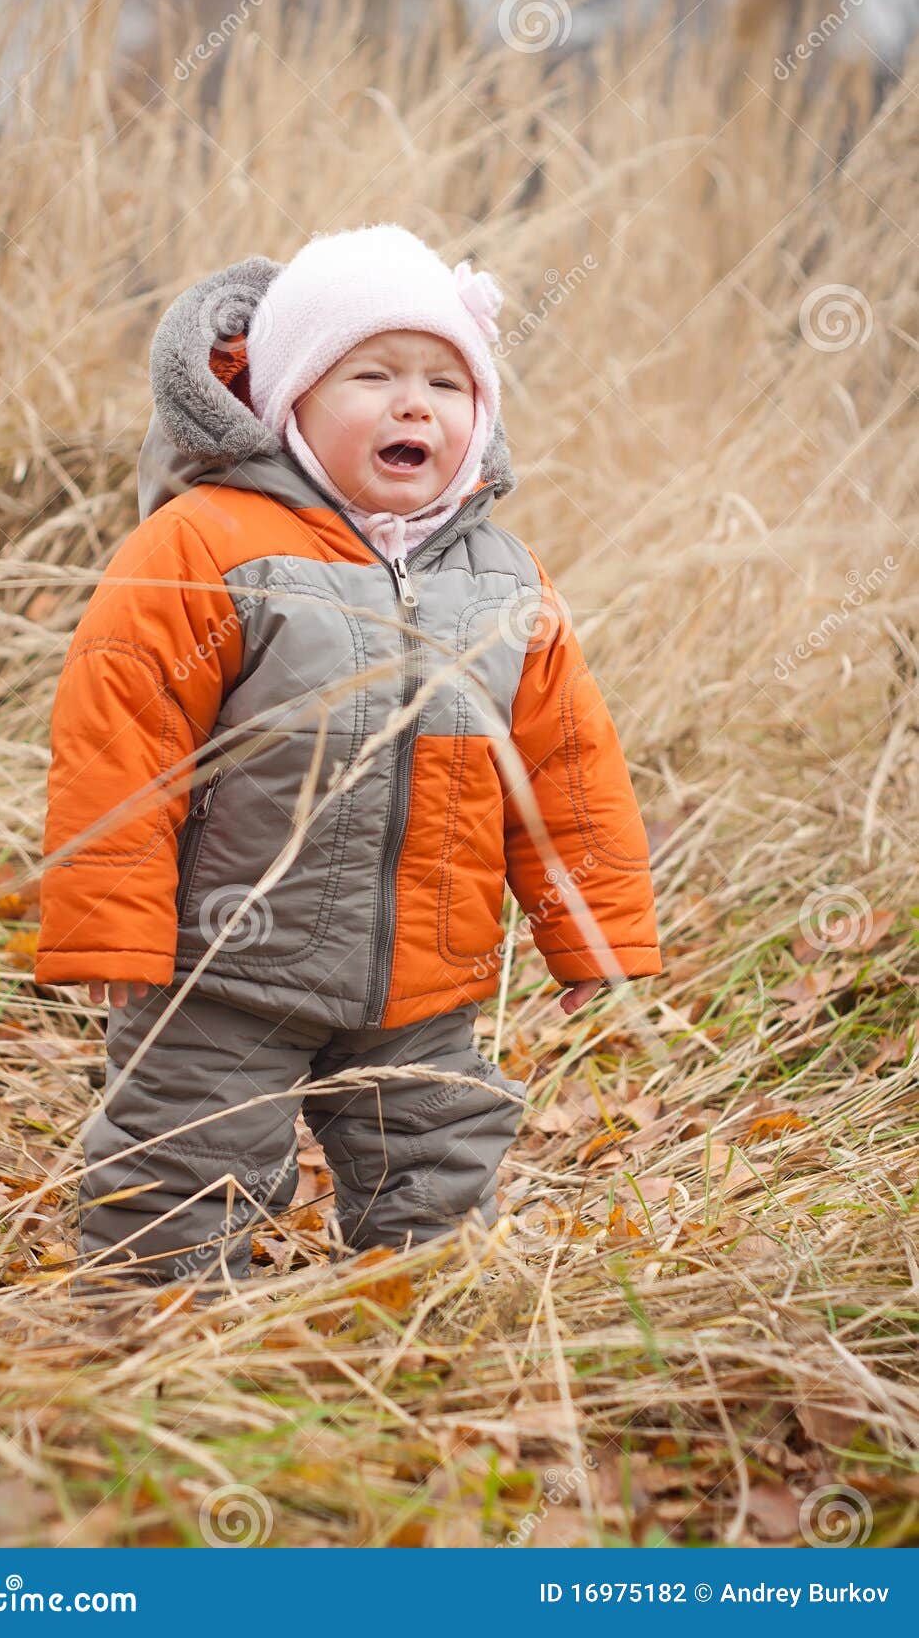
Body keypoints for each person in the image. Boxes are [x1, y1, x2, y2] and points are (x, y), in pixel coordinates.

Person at [34, 222, 663, 1296]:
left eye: (446, 384)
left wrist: (594, 929)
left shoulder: (505, 581)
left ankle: (420, 1333)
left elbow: (566, 765)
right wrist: (110, 922)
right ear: (290, 403)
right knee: (182, 1166)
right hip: (222, 971)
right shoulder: (207, 544)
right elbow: (121, 737)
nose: (415, 406)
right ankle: (154, 1337)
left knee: (440, 1175)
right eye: (372, 376)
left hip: (425, 976)